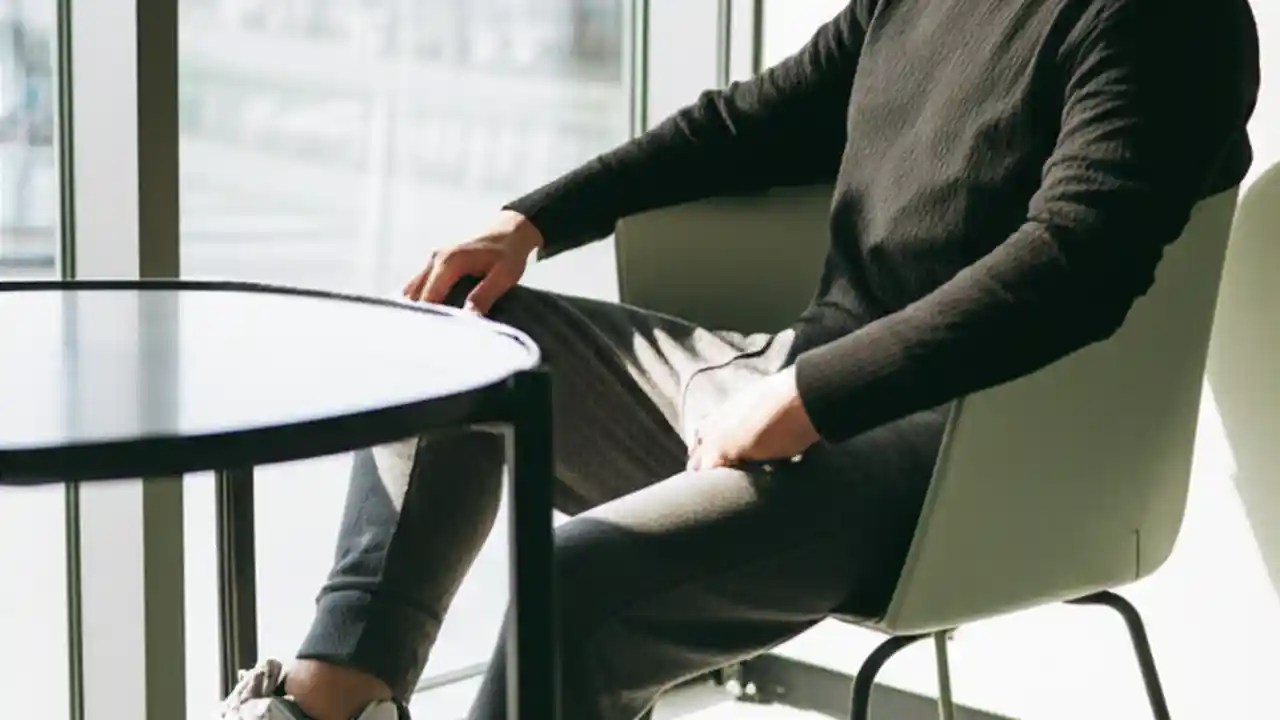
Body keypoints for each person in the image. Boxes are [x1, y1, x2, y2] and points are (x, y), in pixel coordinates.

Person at [219, 1, 1261, 718]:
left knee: (577, 585)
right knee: (449, 350)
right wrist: (533, 219)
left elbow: (1074, 265)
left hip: (953, 453)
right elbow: (752, 121)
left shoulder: (1165, 19)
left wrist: (812, 399)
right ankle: (336, 696)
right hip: (781, 379)